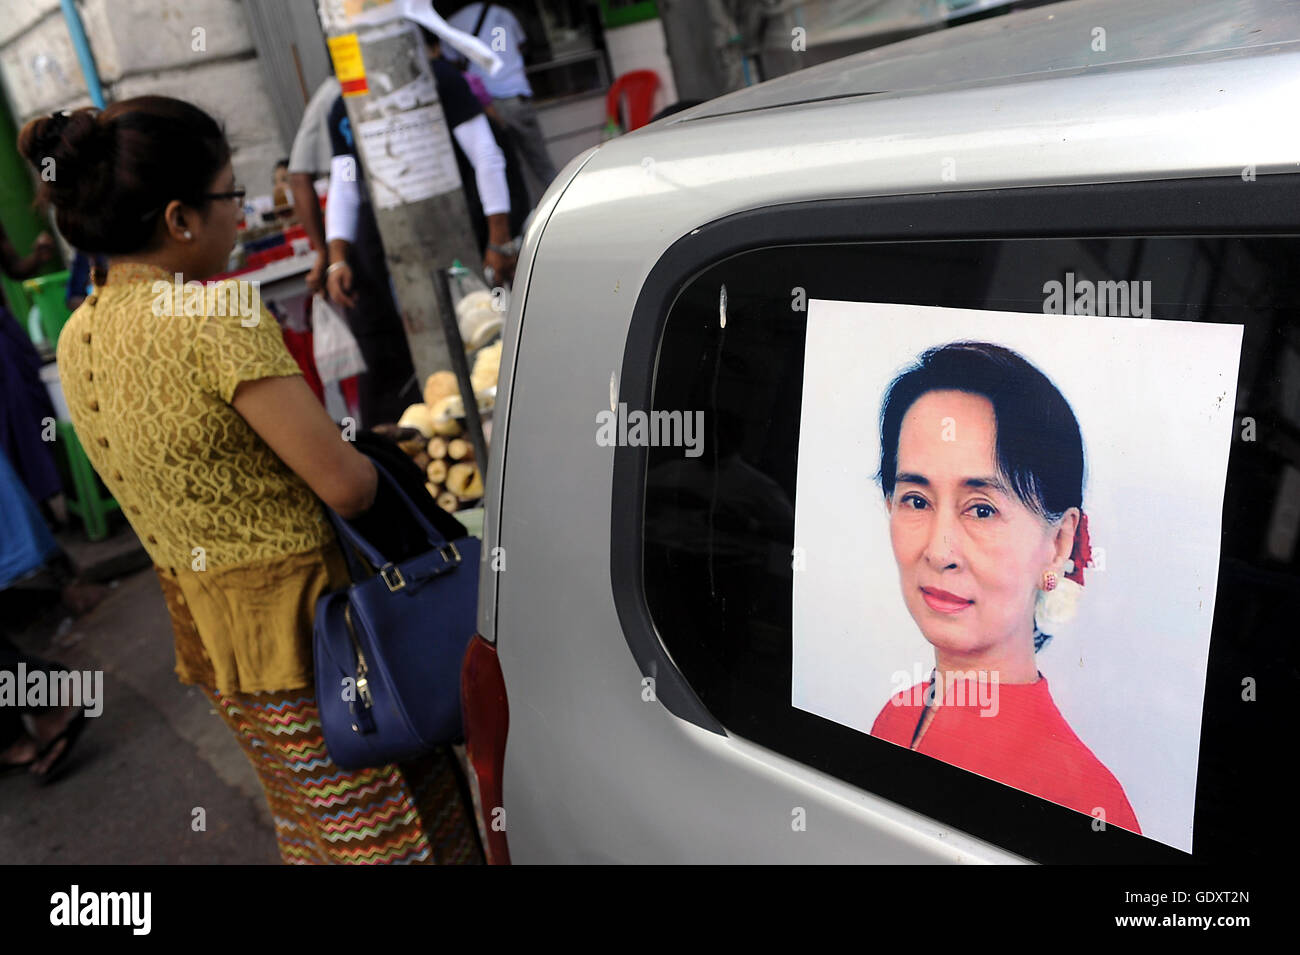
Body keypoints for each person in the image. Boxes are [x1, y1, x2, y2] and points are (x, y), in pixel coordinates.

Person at [18, 98, 482, 863]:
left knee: (318, 831)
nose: (245, 212)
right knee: (395, 833)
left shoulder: (79, 335)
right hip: (325, 637)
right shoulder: (214, 320)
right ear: (181, 219)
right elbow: (346, 487)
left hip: (220, 642)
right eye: (232, 195)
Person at [868, 341, 1140, 835]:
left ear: (1059, 543)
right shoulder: (894, 716)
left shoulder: (1086, 801)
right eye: (915, 499)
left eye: (982, 509)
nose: (939, 551)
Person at [324, 55, 523, 425]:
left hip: (466, 240)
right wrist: (338, 256)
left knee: (490, 344)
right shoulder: (343, 106)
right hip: (398, 259)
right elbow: (345, 185)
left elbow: (486, 156)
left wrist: (499, 239)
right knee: (434, 368)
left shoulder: (436, 79)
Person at [446, 2, 558, 202]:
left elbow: (454, 67)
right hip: (517, 96)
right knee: (542, 165)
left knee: (511, 172)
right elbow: (517, 46)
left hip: (488, 107)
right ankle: (564, 204)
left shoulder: (451, 24)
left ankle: (529, 219)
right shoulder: (501, 14)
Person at [287, 75, 341, 295]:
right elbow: (299, 177)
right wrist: (325, 252)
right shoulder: (335, 96)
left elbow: (299, 178)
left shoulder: (334, 95)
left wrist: (326, 252)